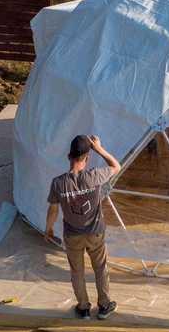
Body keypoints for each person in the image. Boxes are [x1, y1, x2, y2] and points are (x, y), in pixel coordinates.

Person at [46, 134, 121, 320]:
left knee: (77, 271)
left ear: (68, 156)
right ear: (87, 158)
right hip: (95, 232)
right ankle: (104, 305)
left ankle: (83, 307)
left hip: (72, 235)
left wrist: (48, 230)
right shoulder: (94, 176)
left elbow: (53, 210)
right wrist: (99, 149)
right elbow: (116, 166)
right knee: (100, 268)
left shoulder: (58, 183)